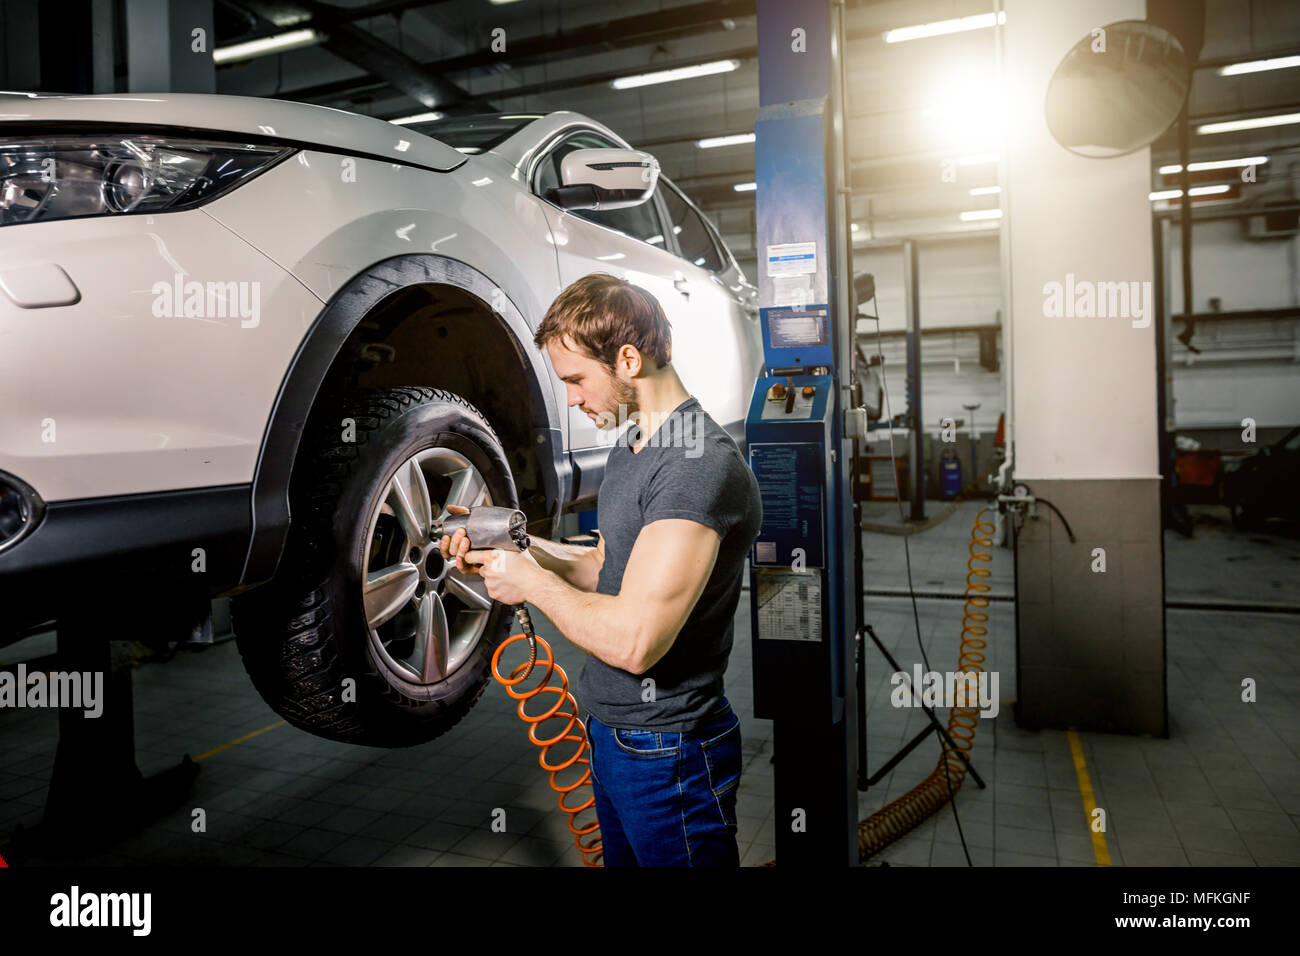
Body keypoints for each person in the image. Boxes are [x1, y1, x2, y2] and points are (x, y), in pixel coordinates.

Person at [439, 271, 762, 866]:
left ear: (629, 360)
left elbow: (636, 642)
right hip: (613, 735)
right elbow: (600, 569)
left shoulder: (696, 467)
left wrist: (530, 585)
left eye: (577, 379)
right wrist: (517, 543)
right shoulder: (633, 446)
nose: (573, 398)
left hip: (669, 748)